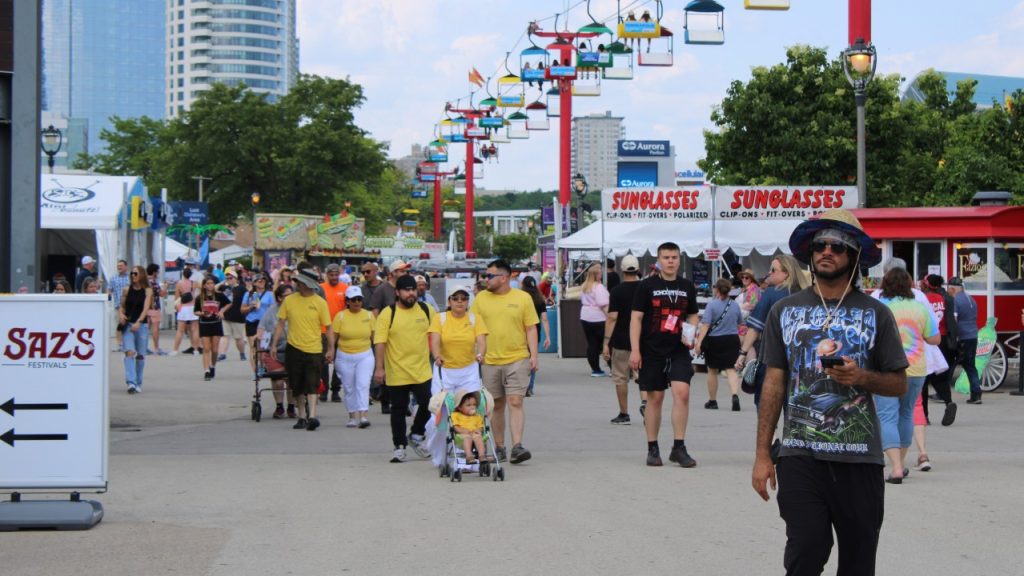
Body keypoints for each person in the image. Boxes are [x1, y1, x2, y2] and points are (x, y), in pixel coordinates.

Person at [752, 209, 908, 576]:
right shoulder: (784, 311)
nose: (827, 251)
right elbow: (773, 382)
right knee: (805, 553)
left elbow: (899, 383)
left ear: (852, 256)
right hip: (800, 457)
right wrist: (762, 454)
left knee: (857, 564)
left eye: (837, 246)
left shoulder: (877, 314)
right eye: (820, 245)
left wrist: (862, 378)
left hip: (860, 462)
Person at [629, 242, 700, 468]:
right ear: (659, 260)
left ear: (680, 259)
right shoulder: (646, 286)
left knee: (682, 393)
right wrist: (635, 350)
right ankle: (652, 447)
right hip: (651, 349)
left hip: (678, 349)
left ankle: (679, 446)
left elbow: (693, 316)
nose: (671, 261)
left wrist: (691, 334)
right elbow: (636, 319)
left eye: (674, 257)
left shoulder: (687, 286)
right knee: (655, 398)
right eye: (666, 257)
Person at [875, 266, 939, 483]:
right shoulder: (919, 308)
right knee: (906, 414)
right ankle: (900, 464)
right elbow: (934, 339)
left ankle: (895, 468)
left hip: (888, 368)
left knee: (887, 416)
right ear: (910, 284)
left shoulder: (880, 307)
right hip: (916, 369)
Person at [471, 259, 539, 464]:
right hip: (489, 360)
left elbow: (530, 328)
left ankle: (517, 446)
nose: (485, 279)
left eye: (489, 276)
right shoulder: (481, 298)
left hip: (517, 358)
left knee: (516, 401)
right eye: (485, 275)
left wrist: (533, 355)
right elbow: (472, 327)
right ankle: (499, 446)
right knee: (496, 405)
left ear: (504, 277)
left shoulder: (522, 298)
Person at [735, 255, 811, 406]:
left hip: (771, 359)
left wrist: (742, 354)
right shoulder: (808, 295)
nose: (769, 273)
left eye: (774, 270)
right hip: (802, 363)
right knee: (795, 410)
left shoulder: (771, 293)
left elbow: (755, 328)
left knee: (765, 408)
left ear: (786, 273)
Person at [374, 274, 435, 462]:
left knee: (429, 404)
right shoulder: (388, 313)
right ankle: (399, 446)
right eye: (407, 290)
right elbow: (380, 342)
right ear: (397, 292)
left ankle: (416, 435)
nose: (411, 293)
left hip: (422, 369)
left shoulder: (426, 310)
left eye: (413, 289)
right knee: (398, 410)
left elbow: (437, 335)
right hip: (397, 370)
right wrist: (379, 368)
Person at [426, 285, 489, 463]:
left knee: (473, 413)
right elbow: (435, 340)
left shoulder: (475, 319)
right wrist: (437, 355)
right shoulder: (440, 318)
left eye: (464, 298)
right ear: (449, 301)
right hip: (444, 371)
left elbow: (481, 341)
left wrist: (481, 354)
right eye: (456, 298)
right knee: (441, 416)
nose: (460, 301)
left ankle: (471, 455)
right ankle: (439, 456)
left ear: (468, 301)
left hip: (468, 371)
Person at [271, 269, 334, 431]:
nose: (297, 284)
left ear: (307, 284)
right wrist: (273, 345)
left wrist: (331, 348)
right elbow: (280, 323)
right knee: (296, 384)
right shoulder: (290, 300)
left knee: (312, 383)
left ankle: (312, 416)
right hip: (294, 347)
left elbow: (328, 327)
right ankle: (301, 416)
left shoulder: (320, 302)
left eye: (300, 282)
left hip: (314, 348)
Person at [602, 254, 642, 424]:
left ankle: (624, 413)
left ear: (622, 270)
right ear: (638, 269)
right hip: (643, 340)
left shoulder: (616, 291)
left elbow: (612, 317)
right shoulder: (645, 288)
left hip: (621, 340)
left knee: (620, 377)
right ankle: (646, 406)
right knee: (643, 377)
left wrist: (606, 342)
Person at [329, 285, 375, 429]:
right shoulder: (340, 316)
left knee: (363, 384)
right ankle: (352, 416)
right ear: (347, 301)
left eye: (359, 299)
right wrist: (330, 350)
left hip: (365, 355)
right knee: (349, 387)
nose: (356, 302)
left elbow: (375, 337)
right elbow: (333, 336)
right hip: (345, 356)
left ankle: (363, 416)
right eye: (353, 299)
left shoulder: (368, 316)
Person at [695, 278, 744, 412]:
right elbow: (740, 322)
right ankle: (735, 395)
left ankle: (712, 400)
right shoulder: (734, 305)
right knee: (731, 369)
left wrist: (699, 342)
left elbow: (705, 325)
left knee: (712, 370)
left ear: (716, 289)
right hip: (731, 339)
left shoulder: (712, 305)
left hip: (715, 340)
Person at [258, 283, 297, 419]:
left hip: (293, 349)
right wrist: (260, 346)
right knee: (278, 379)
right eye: (287, 296)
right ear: (280, 298)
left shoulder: (297, 310)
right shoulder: (271, 311)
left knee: (292, 380)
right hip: (275, 350)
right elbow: (261, 329)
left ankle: (291, 406)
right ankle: (279, 406)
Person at [946, 277, 982, 403]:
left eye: (948, 289)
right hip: (973, 335)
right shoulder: (971, 298)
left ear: (952, 288)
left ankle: (943, 393)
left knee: (949, 365)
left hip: (962, 337)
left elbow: (954, 320)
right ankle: (976, 394)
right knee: (970, 366)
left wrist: (952, 336)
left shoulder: (955, 300)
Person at [120, 265, 153, 394]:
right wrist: (121, 315)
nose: (133, 276)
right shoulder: (126, 289)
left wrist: (139, 322)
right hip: (128, 324)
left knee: (140, 355)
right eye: (132, 274)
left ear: (142, 275)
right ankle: (131, 382)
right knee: (129, 352)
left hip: (141, 325)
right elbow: (121, 306)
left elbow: (146, 308)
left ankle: (138, 382)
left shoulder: (147, 290)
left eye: (136, 273)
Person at [320, 263, 349, 403]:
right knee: (324, 361)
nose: (334, 277)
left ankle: (336, 390)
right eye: (331, 275)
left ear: (339, 274)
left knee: (339, 362)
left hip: (339, 331)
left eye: (336, 274)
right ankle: (323, 390)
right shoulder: (321, 288)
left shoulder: (345, 288)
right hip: (323, 330)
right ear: (327, 275)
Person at [519, 276, 550, 396]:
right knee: (533, 358)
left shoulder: (520, 299)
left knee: (521, 360)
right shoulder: (540, 299)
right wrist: (548, 337)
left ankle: (522, 385)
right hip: (535, 332)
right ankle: (530, 387)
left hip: (521, 332)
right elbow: (545, 319)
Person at [195, 276, 229, 381]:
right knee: (206, 348)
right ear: (204, 285)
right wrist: (202, 313)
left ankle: (212, 366)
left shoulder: (219, 295)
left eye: (212, 283)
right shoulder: (200, 297)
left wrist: (222, 311)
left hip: (216, 323)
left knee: (214, 349)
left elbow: (229, 303)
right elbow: (195, 311)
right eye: (208, 283)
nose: (210, 285)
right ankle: (206, 371)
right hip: (204, 324)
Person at [580, 263, 610, 377]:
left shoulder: (585, 286)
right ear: (596, 275)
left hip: (585, 316)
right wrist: (610, 317)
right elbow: (603, 304)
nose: (601, 274)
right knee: (606, 343)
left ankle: (595, 369)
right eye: (600, 273)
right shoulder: (599, 287)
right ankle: (613, 367)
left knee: (592, 344)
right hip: (599, 317)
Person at [242, 273, 274, 373]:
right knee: (253, 347)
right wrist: (251, 307)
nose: (262, 282)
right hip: (251, 321)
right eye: (260, 281)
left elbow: (273, 309)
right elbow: (242, 310)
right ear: (254, 283)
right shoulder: (248, 294)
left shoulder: (270, 294)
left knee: (263, 347)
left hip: (264, 323)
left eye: (264, 280)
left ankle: (262, 366)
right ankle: (255, 371)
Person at [218, 270, 248, 361]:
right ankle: (222, 354)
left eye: (230, 278)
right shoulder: (225, 288)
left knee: (238, 338)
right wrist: (223, 282)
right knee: (225, 335)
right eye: (227, 278)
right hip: (226, 315)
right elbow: (215, 289)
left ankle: (242, 352)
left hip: (238, 316)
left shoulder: (242, 288)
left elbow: (249, 297)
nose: (229, 280)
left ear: (236, 279)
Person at [451, 391, 486, 465]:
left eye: (474, 405)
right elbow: (456, 427)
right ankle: (469, 456)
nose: (472, 407)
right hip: (461, 435)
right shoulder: (456, 415)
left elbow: (480, 427)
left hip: (474, 433)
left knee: (478, 437)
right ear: (460, 407)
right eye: (468, 405)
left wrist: (478, 430)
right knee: (467, 438)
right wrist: (463, 431)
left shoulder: (477, 416)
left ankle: (482, 455)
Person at [172, 267, 201, 356]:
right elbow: (202, 287)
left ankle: (175, 350)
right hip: (193, 306)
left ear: (183, 274)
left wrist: (176, 306)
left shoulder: (179, 284)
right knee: (195, 329)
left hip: (183, 307)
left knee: (180, 330)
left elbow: (176, 297)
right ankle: (196, 349)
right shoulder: (194, 283)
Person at [109, 260, 131, 351]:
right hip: (118, 305)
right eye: (118, 266)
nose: (119, 267)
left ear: (126, 266)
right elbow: (109, 289)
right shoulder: (113, 278)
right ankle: (120, 344)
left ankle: (128, 343)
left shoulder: (130, 278)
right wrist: (108, 299)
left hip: (130, 305)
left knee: (129, 324)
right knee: (120, 324)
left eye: (121, 265)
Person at [145, 264, 164, 355]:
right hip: (155, 307)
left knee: (145, 329)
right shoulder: (154, 283)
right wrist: (166, 286)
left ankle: (143, 347)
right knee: (155, 328)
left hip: (145, 308)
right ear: (154, 272)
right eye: (157, 271)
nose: (158, 273)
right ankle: (156, 348)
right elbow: (161, 294)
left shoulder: (144, 281)